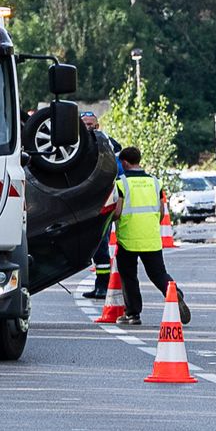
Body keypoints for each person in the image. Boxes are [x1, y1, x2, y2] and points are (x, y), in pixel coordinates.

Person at [111, 145, 190, 325]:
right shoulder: (155, 182)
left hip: (128, 238)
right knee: (158, 274)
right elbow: (161, 212)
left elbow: (117, 212)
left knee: (128, 275)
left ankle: (133, 314)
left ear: (124, 163)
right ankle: (174, 293)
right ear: (138, 161)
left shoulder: (121, 183)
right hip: (151, 237)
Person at [80, 112, 123, 299]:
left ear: (97, 126)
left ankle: (102, 286)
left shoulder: (107, 144)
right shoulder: (72, 144)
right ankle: (101, 284)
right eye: (85, 124)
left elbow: (118, 171)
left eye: (91, 124)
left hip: (101, 199)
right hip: (81, 201)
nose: (89, 127)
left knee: (101, 244)